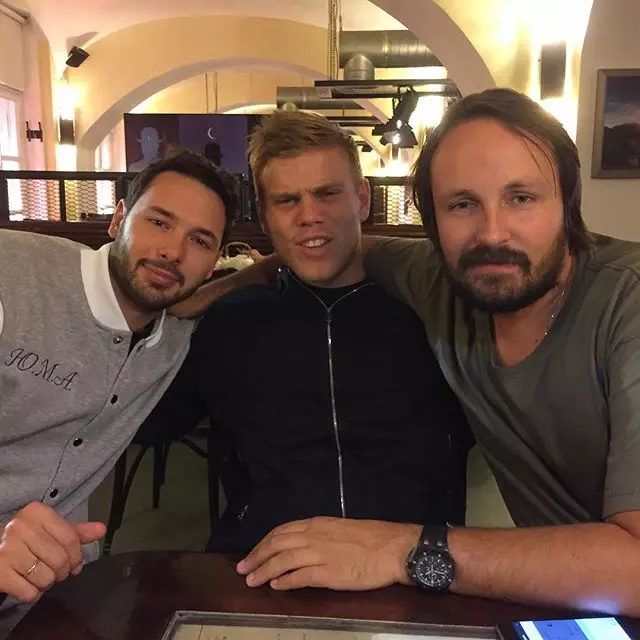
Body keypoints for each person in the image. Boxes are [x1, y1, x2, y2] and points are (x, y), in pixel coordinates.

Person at [179, 90, 640, 616]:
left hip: (543, 593)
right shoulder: (447, 282)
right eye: (463, 204)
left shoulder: (623, 301)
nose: (492, 232)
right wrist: (220, 289)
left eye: (522, 197)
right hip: (567, 600)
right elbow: (344, 247)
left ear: (569, 200)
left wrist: (405, 549)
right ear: (435, 220)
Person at [142, 110, 471, 561]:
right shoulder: (228, 322)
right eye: (287, 200)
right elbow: (142, 422)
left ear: (362, 198)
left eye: (327, 194)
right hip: (261, 571)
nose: (309, 216)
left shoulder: (431, 314)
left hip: (414, 574)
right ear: (263, 215)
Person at [0, 150, 237, 623]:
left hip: (56, 595)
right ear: (118, 220)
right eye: (159, 222)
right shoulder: (13, 275)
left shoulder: (176, 334)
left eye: (200, 240)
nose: (173, 251)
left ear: (213, 263)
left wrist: (269, 269)